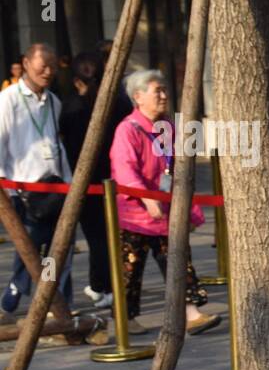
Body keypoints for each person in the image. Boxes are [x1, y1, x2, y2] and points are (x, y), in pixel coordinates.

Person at [109, 69, 218, 336]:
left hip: (166, 211)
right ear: (138, 97)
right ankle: (126, 318)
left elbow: (179, 170)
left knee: (179, 261)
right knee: (130, 270)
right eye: (156, 91)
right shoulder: (128, 129)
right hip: (136, 214)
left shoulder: (167, 127)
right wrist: (147, 199)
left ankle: (191, 313)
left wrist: (191, 212)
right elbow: (124, 169)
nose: (163, 95)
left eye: (164, 90)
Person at [0, 43, 74, 323]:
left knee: (58, 251)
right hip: (23, 190)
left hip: (55, 187)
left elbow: (57, 145)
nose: (48, 71)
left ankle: (59, 302)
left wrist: (68, 182)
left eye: (52, 66)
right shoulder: (8, 100)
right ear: (27, 63)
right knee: (28, 251)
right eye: (42, 65)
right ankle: (13, 297)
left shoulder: (53, 101)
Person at [58, 51, 121, 309]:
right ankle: (107, 285)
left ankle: (100, 286)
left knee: (95, 237)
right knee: (109, 235)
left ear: (75, 80)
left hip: (84, 181)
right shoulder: (113, 102)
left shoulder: (72, 108)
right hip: (112, 179)